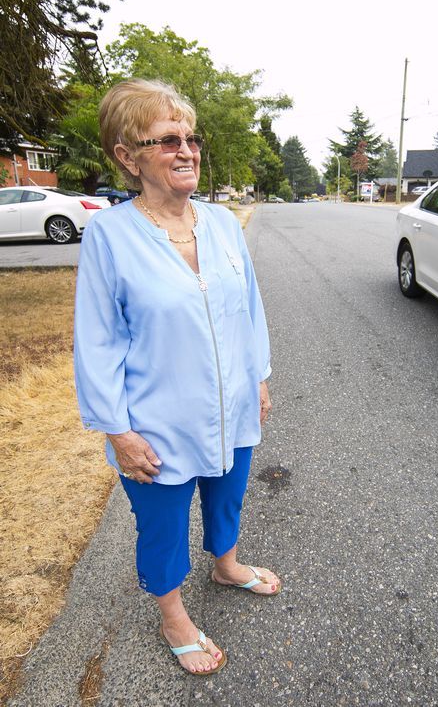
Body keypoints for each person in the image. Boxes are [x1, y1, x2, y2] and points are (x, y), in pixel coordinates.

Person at [74, 79, 280, 676]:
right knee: (162, 526)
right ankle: (172, 614)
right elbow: (98, 341)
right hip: (156, 419)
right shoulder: (110, 236)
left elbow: (249, 308)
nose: (186, 150)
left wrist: (258, 376)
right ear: (126, 155)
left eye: (190, 138)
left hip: (232, 401)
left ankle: (227, 564)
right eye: (167, 140)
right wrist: (116, 429)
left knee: (228, 493)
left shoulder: (220, 223)